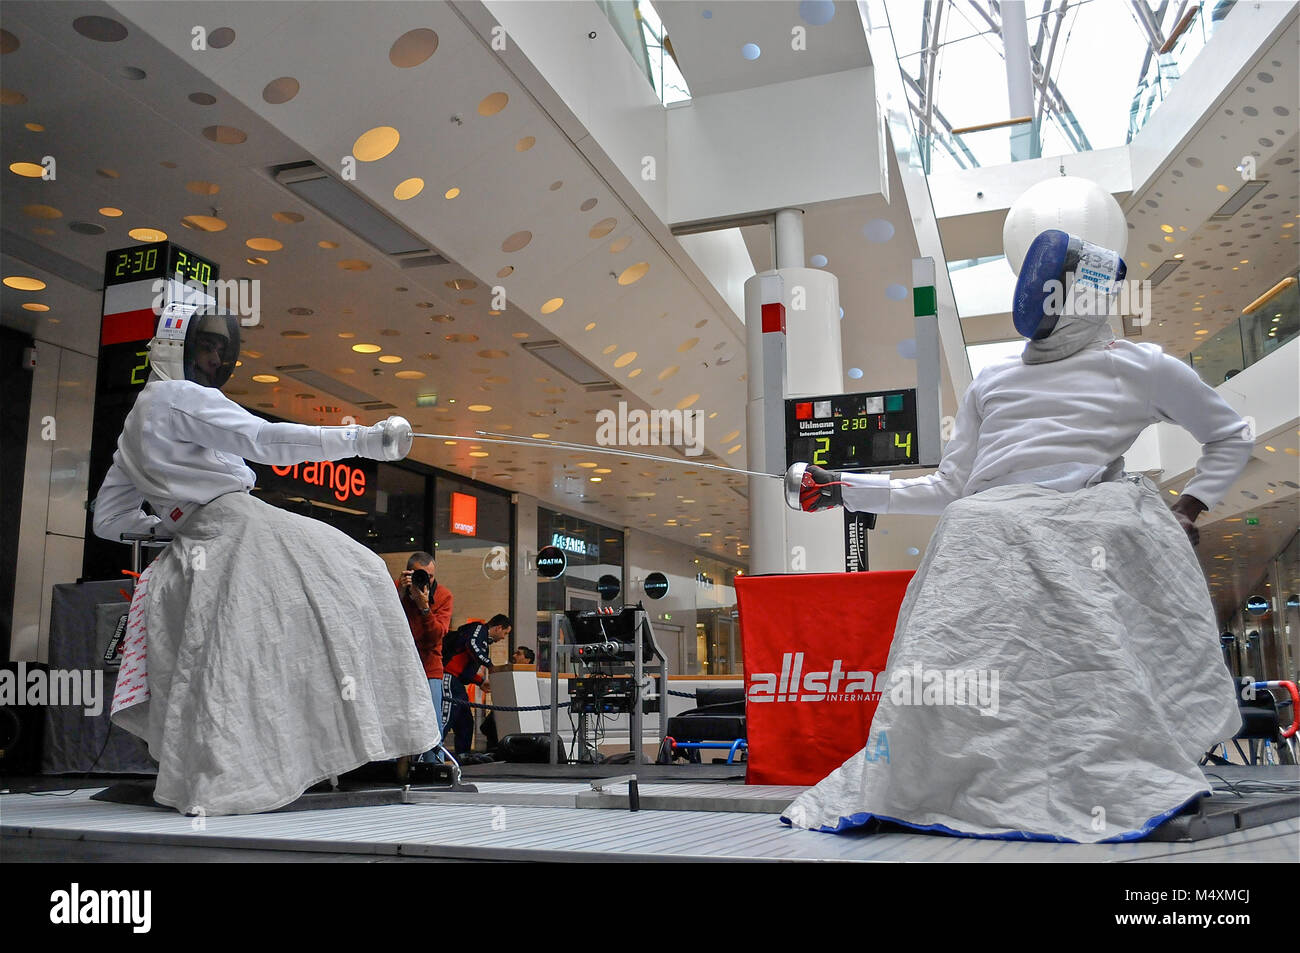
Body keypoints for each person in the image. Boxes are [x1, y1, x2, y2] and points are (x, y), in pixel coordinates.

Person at [784, 229, 1252, 842]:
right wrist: (845, 486)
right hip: (985, 527)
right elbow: (950, 489)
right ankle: (948, 773)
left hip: (1076, 525)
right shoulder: (993, 382)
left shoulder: (1140, 366)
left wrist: (1190, 509)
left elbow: (1230, 433)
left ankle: (1092, 767)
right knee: (967, 540)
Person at [93, 305, 438, 815]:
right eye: (206, 346)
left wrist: (170, 526)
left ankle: (245, 771)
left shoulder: (132, 427)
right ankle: (388, 738)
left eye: (220, 348)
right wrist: (362, 440)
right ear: (175, 347)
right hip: (239, 530)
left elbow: (108, 518)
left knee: (247, 659)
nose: (214, 358)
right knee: (363, 571)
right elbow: (265, 441)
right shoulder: (178, 397)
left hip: (197, 547)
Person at [396, 552, 453, 763]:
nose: (427, 581)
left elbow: (437, 634)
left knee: (432, 722)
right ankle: (394, 766)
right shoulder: (396, 590)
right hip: (400, 665)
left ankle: (432, 763)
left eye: (430, 576)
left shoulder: (443, 596)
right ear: (408, 573)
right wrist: (400, 593)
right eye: (422, 575)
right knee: (397, 719)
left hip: (429, 666)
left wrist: (425, 608)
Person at [442, 614, 511, 757]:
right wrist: (490, 665)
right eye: (505, 633)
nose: (504, 637)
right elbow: (472, 645)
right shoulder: (478, 629)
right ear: (498, 628)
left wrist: (480, 682)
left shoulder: (482, 640)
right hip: (448, 677)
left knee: (465, 721)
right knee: (446, 718)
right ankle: (430, 754)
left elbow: (464, 667)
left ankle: (463, 755)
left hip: (457, 682)